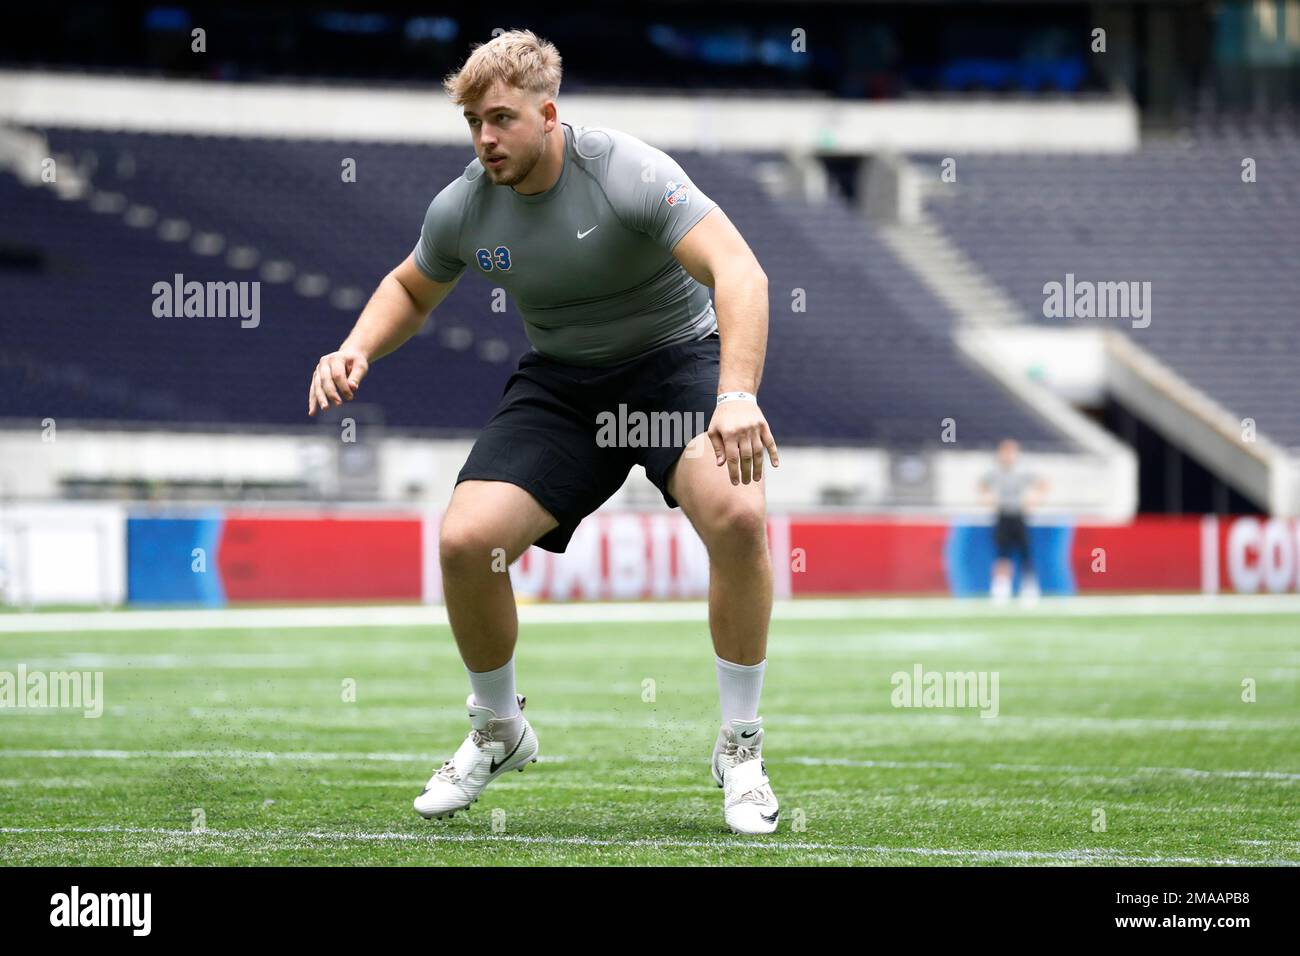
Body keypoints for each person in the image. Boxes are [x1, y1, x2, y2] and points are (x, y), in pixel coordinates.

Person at [306, 30, 780, 834]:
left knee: (737, 516)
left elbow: (740, 270)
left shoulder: (627, 171)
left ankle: (740, 748)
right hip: (564, 385)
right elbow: (410, 288)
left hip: (675, 367)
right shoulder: (464, 204)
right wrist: (354, 349)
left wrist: (735, 393)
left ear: (547, 113)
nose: (485, 138)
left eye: (500, 119)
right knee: (465, 542)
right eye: (472, 123)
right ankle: (499, 727)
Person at [978, 439, 1048, 605]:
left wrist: (1034, 499)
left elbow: (1042, 484)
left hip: (1019, 515)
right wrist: (987, 498)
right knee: (1002, 554)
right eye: (1005, 452)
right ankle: (1001, 589)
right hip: (1003, 515)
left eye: (1011, 452)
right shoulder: (994, 471)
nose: (1008, 456)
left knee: (1025, 553)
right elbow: (982, 485)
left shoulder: (1022, 471)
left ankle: (1029, 588)